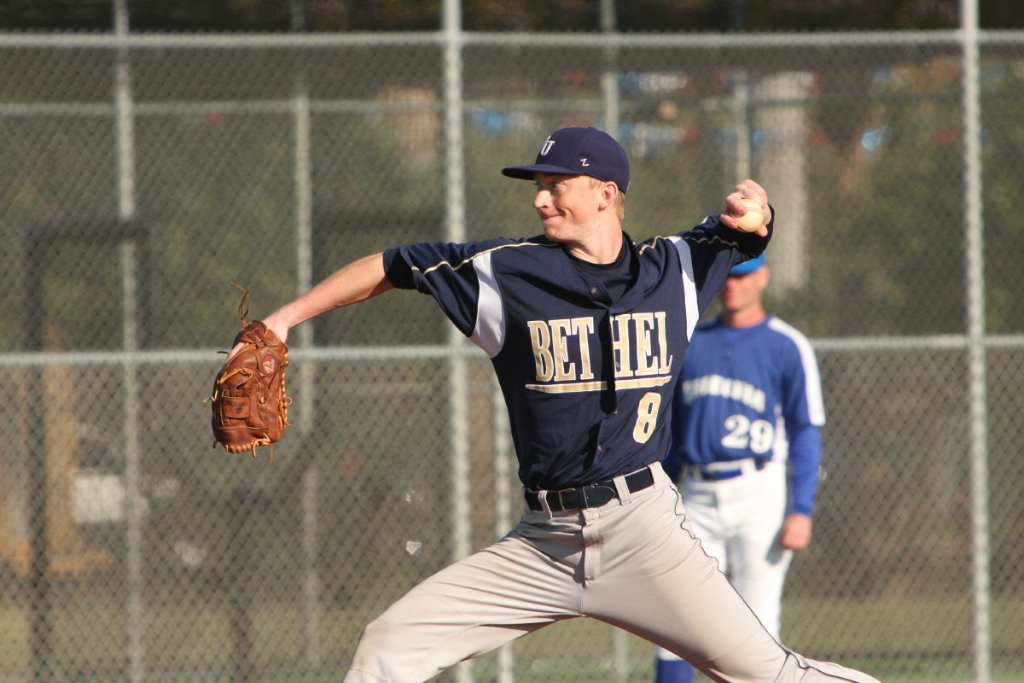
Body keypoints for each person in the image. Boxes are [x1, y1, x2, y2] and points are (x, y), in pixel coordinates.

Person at [235, 126, 881, 682]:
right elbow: (394, 264)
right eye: (537, 186)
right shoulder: (505, 273)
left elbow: (746, 233)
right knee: (387, 645)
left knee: (768, 672)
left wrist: (761, 208)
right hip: (542, 542)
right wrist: (284, 319)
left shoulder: (676, 268)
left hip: (646, 530)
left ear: (606, 193)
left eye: (555, 183)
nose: (540, 198)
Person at [654, 252, 826, 683]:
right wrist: (657, 499)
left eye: (743, 275)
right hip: (693, 492)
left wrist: (801, 509)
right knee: (675, 618)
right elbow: (670, 433)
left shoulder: (787, 345)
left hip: (759, 491)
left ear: (762, 277)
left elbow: (806, 432)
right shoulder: (690, 342)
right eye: (726, 277)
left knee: (758, 622)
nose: (733, 285)